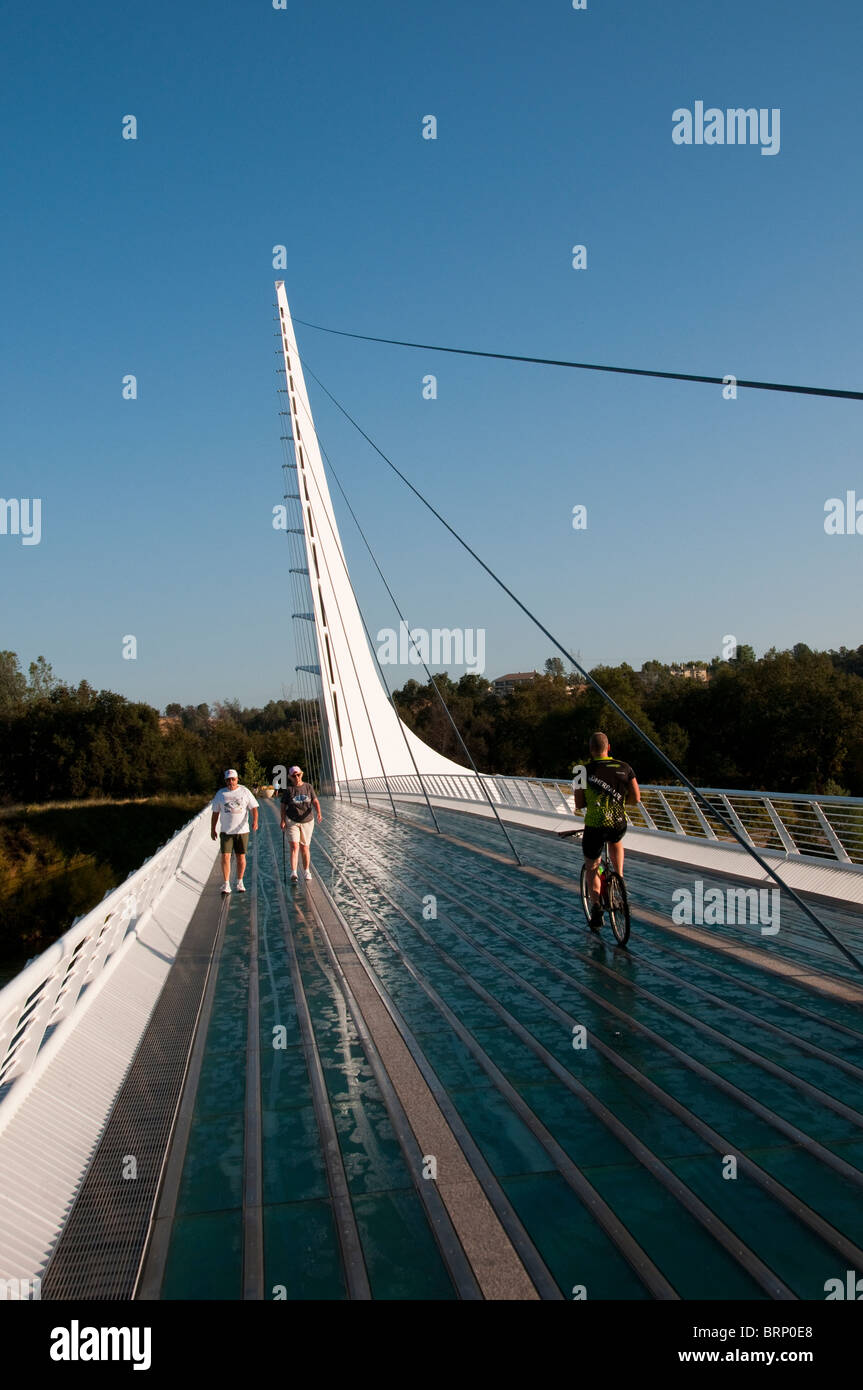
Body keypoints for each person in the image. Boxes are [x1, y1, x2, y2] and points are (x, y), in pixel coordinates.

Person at [572, 732, 640, 930]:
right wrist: (619, 801)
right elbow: (636, 798)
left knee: (592, 866)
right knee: (615, 840)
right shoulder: (625, 767)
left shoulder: (581, 771)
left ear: (590, 750)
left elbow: (578, 803)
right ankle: (619, 878)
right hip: (619, 823)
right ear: (608, 747)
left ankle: (596, 909)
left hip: (595, 825)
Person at [210, 769, 259, 894]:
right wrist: (213, 829)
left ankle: (239, 881)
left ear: (237, 779)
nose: (231, 782)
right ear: (226, 781)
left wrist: (255, 821)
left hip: (242, 830)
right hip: (226, 831)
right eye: (228, 780)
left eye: (233, 779)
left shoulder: (244, 791)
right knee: (225, 856)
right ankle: (226, 883)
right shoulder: (221, 794)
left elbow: (254, 807)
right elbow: (215, 813)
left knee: (240, 857)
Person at [280, 765, 322, 882]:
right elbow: (283, 806)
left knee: (305, 847)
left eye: (298, 775)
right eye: (294, 776)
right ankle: (294, 872)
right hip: (292, 820)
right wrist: (282, 819)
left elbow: (315, 801)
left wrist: (319, 812)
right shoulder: (289, 790)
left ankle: (306, 871)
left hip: (307, 820)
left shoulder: (308, 787)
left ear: (301, 774)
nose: (296, 777)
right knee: (294, 846)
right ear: (290, 777)